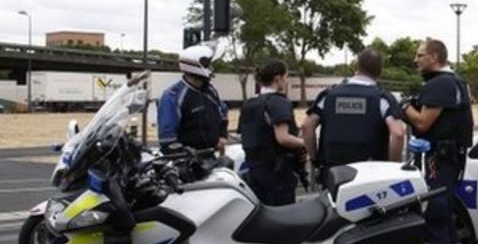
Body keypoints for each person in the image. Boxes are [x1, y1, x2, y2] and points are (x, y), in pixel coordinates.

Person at [402, 39, 474, 244]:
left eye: (419, 55)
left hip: (438, 161)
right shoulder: (454, 82)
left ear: (434, 57)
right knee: (444, 221)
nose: (415, 60)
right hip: (446, 160)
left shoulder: (440, 84)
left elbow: (422, 122)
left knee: (434, 219)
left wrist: (405, 107)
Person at [302, 49, 405, 186]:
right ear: (380, 72)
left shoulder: (329, 95)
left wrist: (316, 160)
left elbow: (306, 126)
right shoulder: (382, 98)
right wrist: (392, 168)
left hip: (333, 173)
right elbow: (398, 133)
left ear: (356, 67)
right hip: (371, 175)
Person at [238, 60, 306, 206]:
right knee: (283, 219)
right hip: (277, 172)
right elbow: (282, 138)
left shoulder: (249, 104)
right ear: (278, 79)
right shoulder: (279, 102)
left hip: (254, 171)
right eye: (286, 77)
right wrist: (305, 143)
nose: (287, 81)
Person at [157, 44, 229, 154]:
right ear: (196, 65)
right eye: (208, 64)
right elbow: (167, 139)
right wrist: (186, 154)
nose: (211, 68)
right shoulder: (173, 95)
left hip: (210, 156)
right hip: (186, 163)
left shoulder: (210, 90)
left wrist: (222, 135)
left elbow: (223, 111)